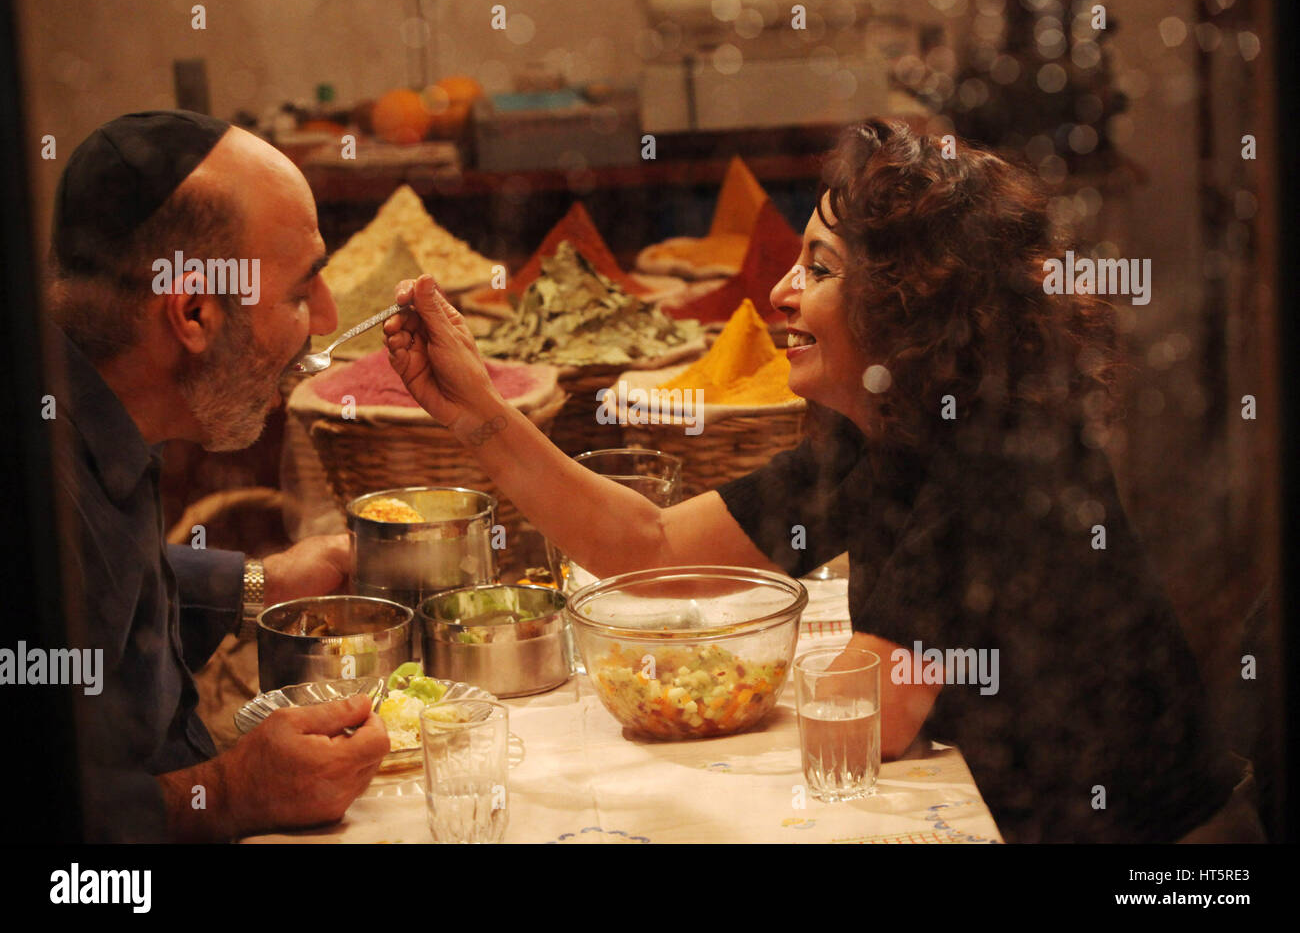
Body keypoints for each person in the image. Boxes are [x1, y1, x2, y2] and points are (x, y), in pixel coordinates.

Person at [383, 118, 1260, 842]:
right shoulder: (884, 429)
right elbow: (647, 547)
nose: (780, 292)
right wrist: (478, 415)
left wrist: (730, 671)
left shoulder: (994, 456)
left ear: (912, 302)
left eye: (820, 269)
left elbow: (866, 718)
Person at [46, 110, 390, 842]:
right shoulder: (43, 496)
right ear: (194, 312)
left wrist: (260, 584)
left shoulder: (99, 408)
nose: (326, 318)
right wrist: (229, 792)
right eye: (301, 293)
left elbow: (110, 587)